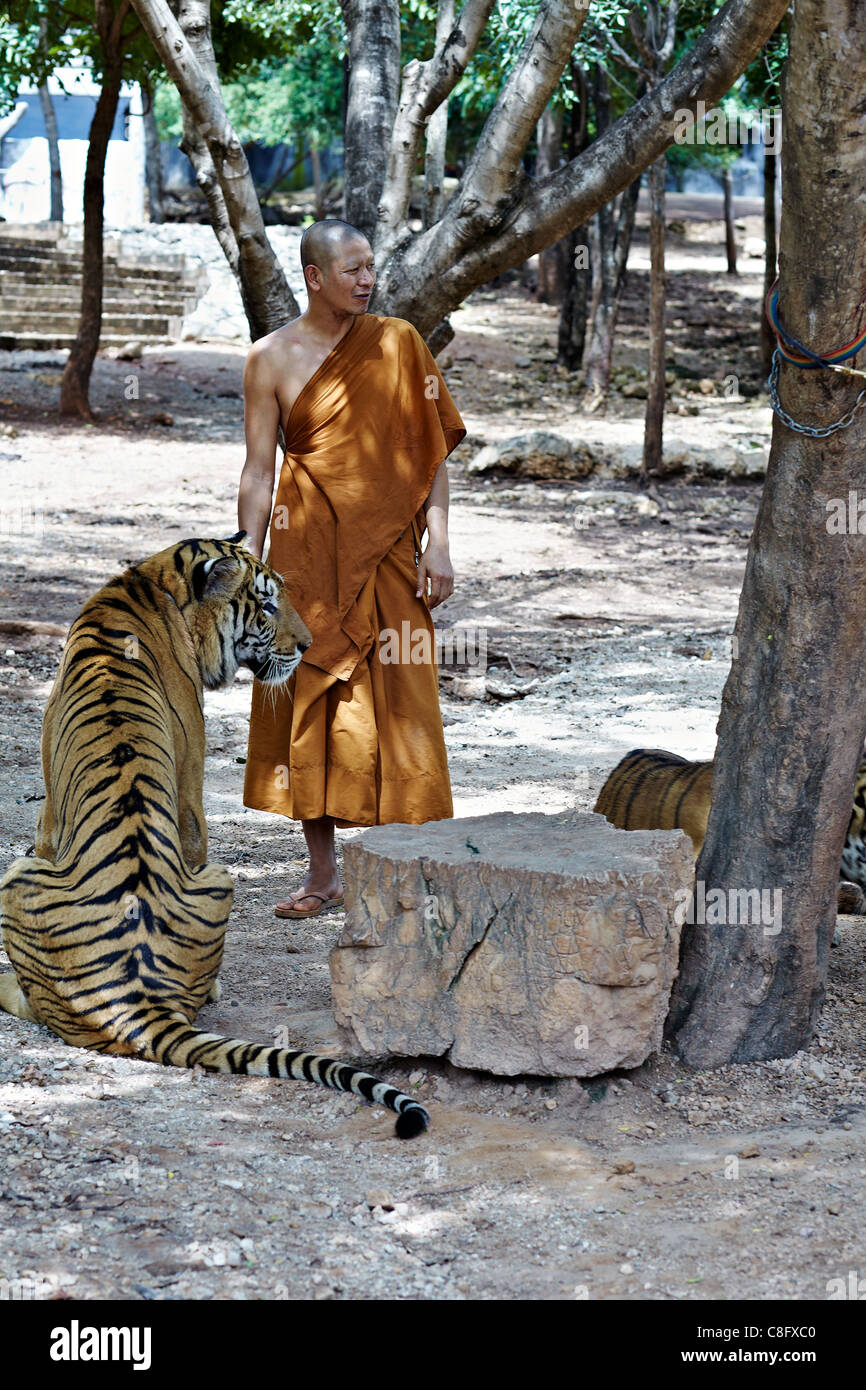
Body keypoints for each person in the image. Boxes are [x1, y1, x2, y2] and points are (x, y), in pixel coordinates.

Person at [238, 219, 465, 919]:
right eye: (353, 270)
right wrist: (249, 559)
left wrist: (440, 542)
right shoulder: (269, 358)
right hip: (304, 548)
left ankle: (408, 867)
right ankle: (323, 874)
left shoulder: (399, 344)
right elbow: (256, 470)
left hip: (391, 550)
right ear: (314, 275)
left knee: (401, 701)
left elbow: (431, 454)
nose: (368, 281)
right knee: (315, 699)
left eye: (371, 268)